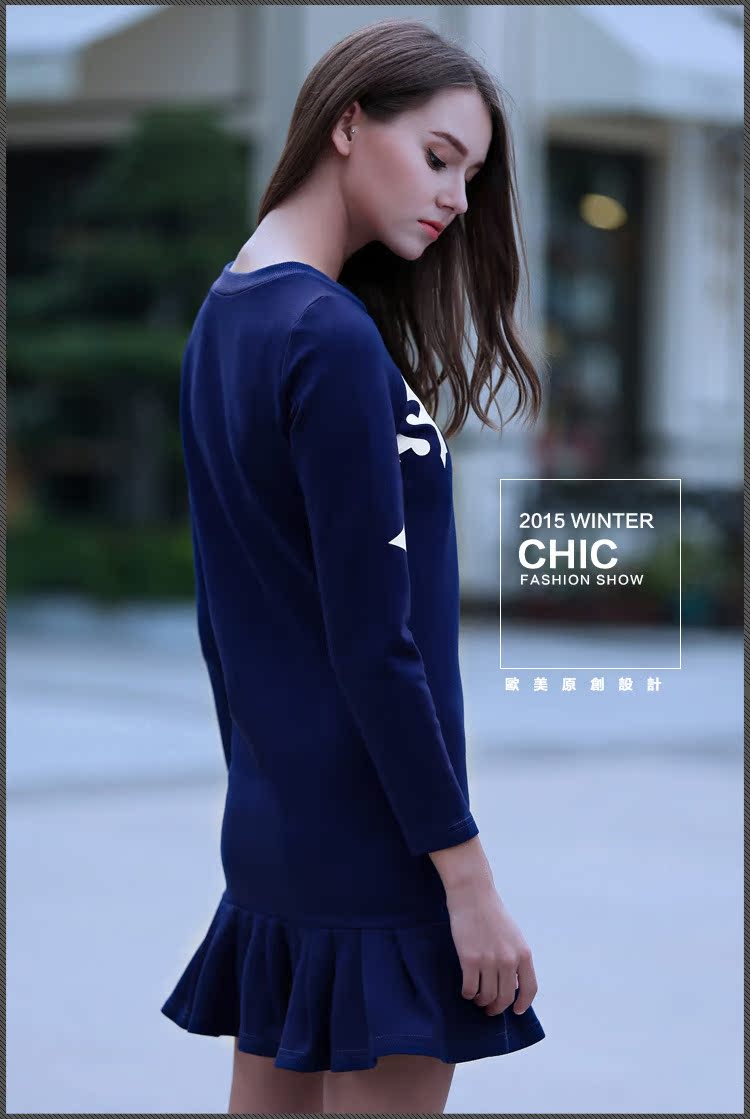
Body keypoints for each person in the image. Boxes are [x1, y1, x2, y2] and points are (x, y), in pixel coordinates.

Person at [160, 17, 546, 1115]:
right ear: (347, 124)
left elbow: (225, 620)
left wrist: (266, 792)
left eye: (470, 176)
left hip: (281, 822)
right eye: (438, 157)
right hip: (380, 843)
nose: (457, 198)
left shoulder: (227, 314)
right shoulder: (324, 336)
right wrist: (465, 877)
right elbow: (377, 642)